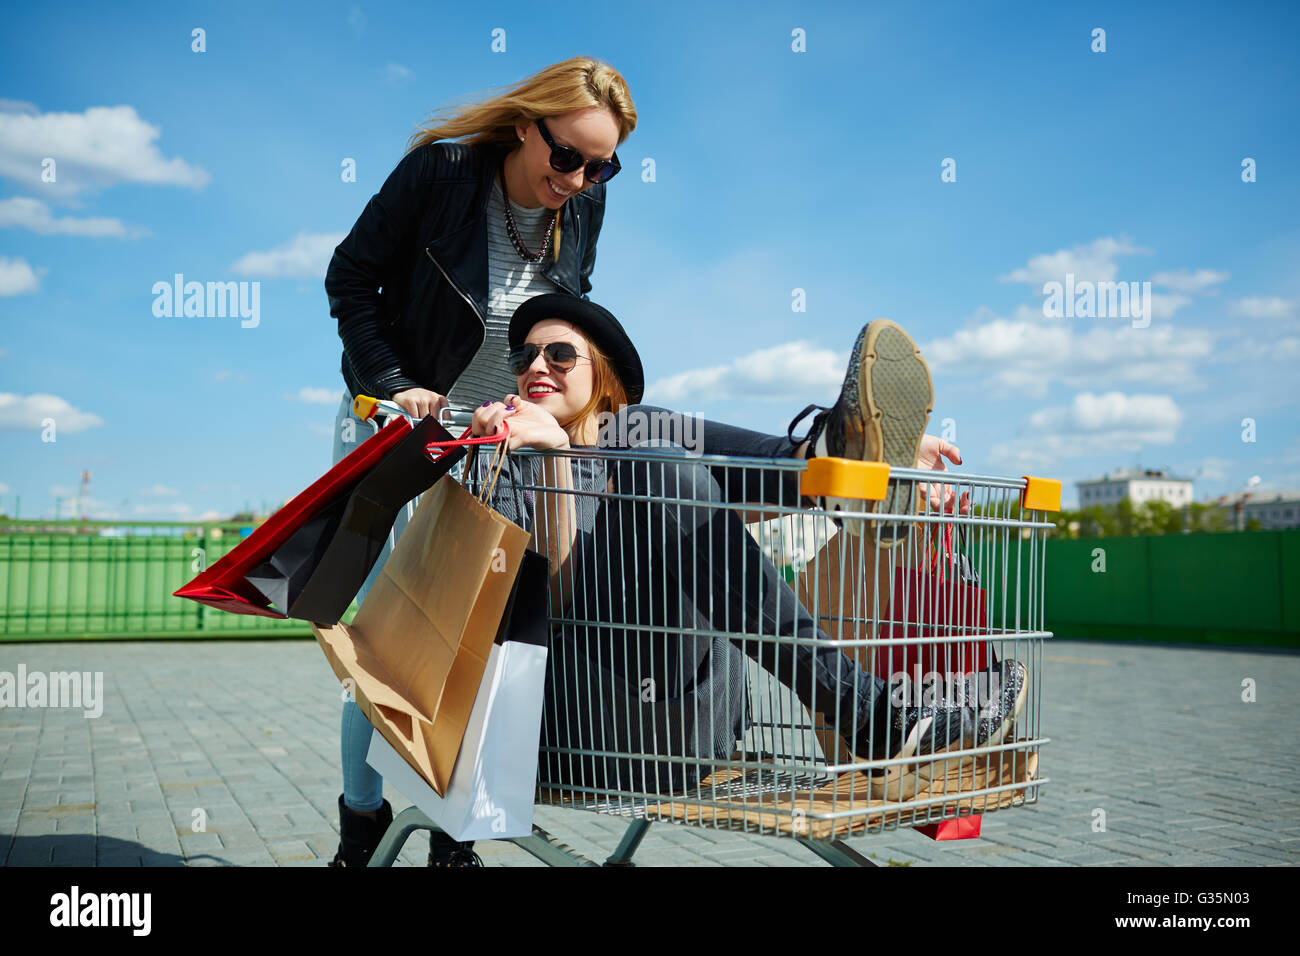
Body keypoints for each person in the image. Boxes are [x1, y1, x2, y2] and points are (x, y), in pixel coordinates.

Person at [465, 294, 1029, 844]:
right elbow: (552, 606)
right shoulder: (506, 465)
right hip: (584, 731)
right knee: (658, 461)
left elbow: (735, 468)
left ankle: (832, 456)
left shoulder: (635, 434)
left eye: (560, 354)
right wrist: (549, 459)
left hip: (698, 728)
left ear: (603, 375)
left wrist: (889, 466)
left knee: (656, 450)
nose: (536, 366)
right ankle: (873, 715)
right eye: (523, 358)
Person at [322, 57, 637, 867]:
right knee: (390, 637)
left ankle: (448, 822)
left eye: (600, 166)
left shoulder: (584, 206)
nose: (579, 179)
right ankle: (364, 819)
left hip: (499, 445)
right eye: (565, 156)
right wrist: (396, 384)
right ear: (526, 125)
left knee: (473, 638)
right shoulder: (442, 174)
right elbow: (350, 278)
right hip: (405, 431)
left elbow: (574, 309)